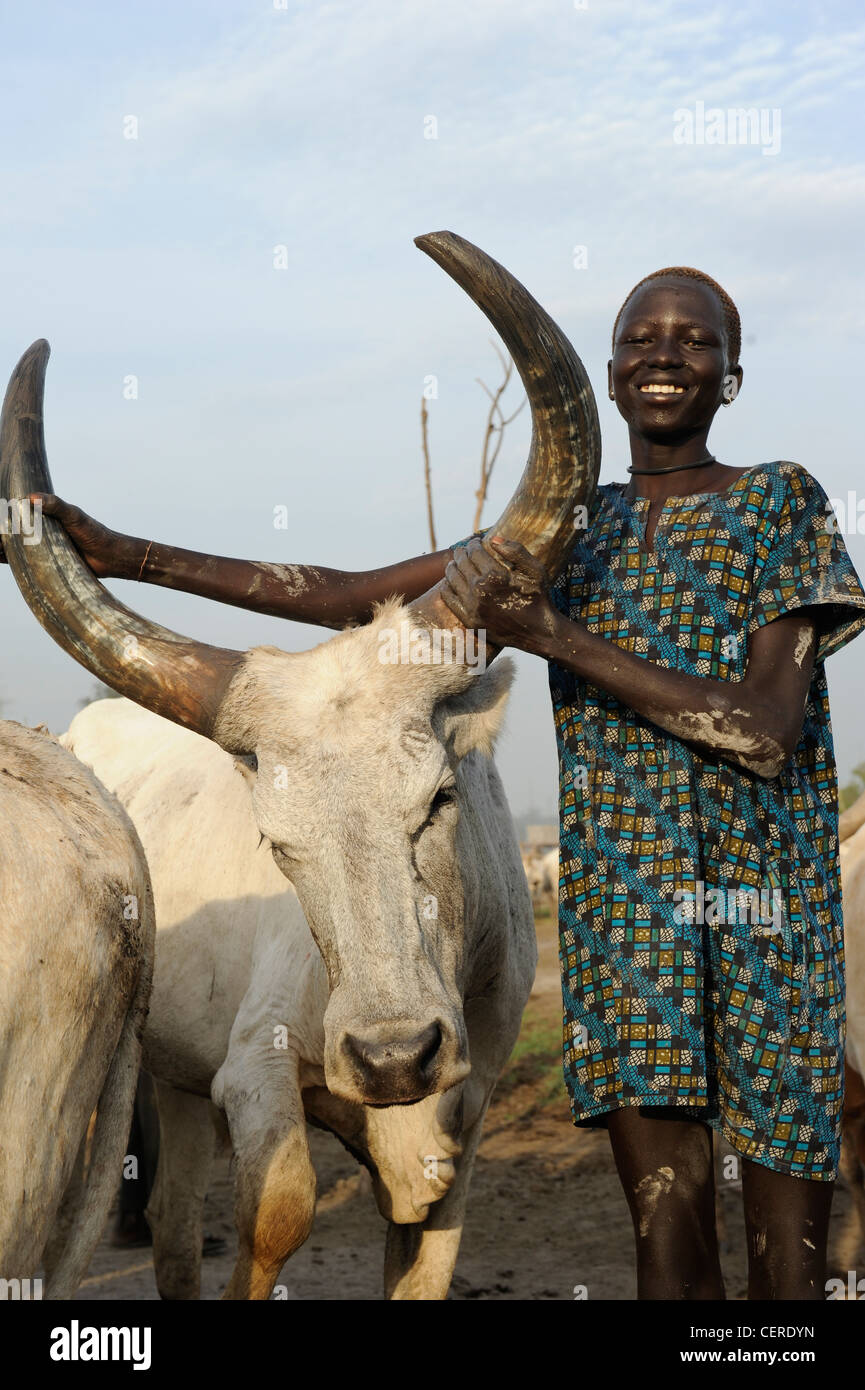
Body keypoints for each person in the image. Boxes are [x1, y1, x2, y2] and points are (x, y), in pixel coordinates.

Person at [17, 266, 865, 1300]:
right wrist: (125, 553)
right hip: (626, 917)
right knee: (666, 1235)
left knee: (792, 1256)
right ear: (606, 372)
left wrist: (549, 633)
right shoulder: (561, 534)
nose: (664, 354)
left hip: (763, 908)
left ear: (730, 376)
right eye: (642, 337)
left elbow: (767, 729)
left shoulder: (780, 499)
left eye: (693, 340)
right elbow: (340, 594)